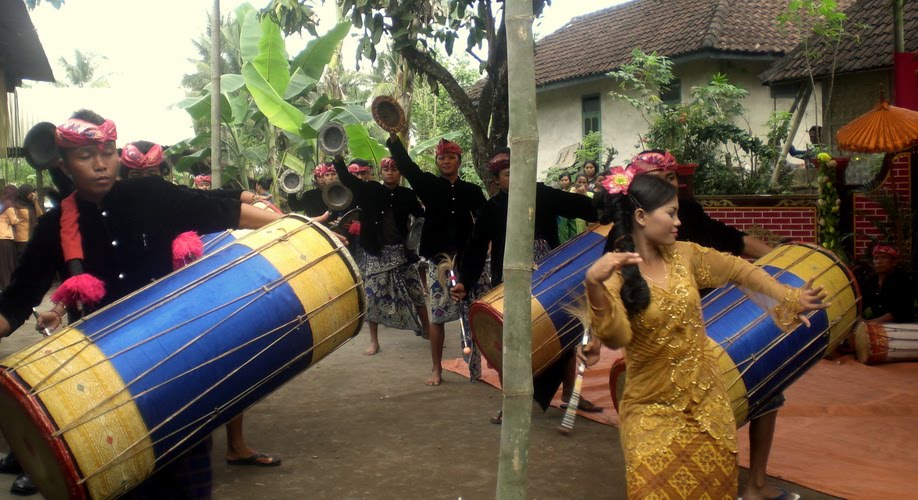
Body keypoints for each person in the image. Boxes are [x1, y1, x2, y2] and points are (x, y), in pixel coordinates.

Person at [0, 110, 283, 498]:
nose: (100, 165)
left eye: (108, 153)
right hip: (103, 373)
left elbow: (226, 211)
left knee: (186, 480)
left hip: (177, 360)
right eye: (85, 156)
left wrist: (299, 229)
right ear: (64, 164)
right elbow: (17, 299)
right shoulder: (54, 227)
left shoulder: (151, 195)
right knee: (122, 482)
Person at [580, 170, 828, 499]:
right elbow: (615, 335)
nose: (678, 221)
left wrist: (789, 296)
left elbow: (739, 268)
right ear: (641, 216)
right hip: (651, 409)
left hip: (707, 406)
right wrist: (594, 286)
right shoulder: (617, 275)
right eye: (670, 214)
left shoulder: (686, 255)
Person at [631, 149, 789, 500]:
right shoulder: (625, 238)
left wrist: (785, 258)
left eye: (673, 177)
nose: (670, 185)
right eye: (661, 178)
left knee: (767, 388)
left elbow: (733, 242)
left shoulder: (689, 216)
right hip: (664, 345)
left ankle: (756, 484)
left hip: (714, 323)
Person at [451, 149, 600, 424]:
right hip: (509, 283)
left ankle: (570, 394)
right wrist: (464, 281)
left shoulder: (542, 195)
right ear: (497, 180)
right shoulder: (490, 209)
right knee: (511, 343)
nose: (516, 178)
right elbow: (474, 249)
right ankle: (510, 403)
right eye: (509, 174)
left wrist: (612, 204)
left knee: (566, 333)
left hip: (551, 277)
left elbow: (579, 205)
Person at [386, 135, 487, 386]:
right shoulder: (428, 185)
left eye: (451, 157)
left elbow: (485, 223)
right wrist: (394, 140)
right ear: (437, 161)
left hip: (468, 262)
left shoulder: (471, 191)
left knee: (475, 315)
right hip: (437, 261)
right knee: (438, 317)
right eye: (442, 157)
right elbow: (407, 166)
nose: (446, 161)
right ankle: (436, 369)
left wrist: (488, 249)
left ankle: (476, 369)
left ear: (459, 161)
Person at [333, 155, 429, 355]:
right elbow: (348, 180)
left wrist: (416, 236)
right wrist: (338, 158)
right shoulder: (370, 190)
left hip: (403, 251)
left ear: (399, 173)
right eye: (386, 170)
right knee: (372, 297)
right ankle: (374, 341)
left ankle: (428, 330)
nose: (390, 173)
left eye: (394, 170)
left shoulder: (407, 195)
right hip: (376, 251)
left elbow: (421, 217)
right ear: (381, 172)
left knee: (416, 293)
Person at [860, 245, 914, 324]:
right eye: (876, 258)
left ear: (893, 262)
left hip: (901, 326)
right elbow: (861, 304)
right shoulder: (870, 282)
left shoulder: (902, 280)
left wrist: (870, 322)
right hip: (876, 326)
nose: (879, 261)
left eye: (884, 257)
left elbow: (898, 311)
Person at [12, 184, 44, 260]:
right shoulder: (16, 205)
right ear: (24, 193)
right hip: (22, 238)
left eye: (33, 192)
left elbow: (40, 216)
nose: (32, 194)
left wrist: (36, 202)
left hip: (33, 236)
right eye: (30, 192)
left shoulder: (32, 204)